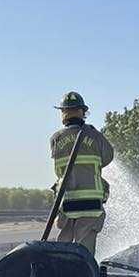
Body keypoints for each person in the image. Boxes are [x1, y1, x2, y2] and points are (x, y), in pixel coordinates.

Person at [50, 91, 114, 256]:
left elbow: (58, 170)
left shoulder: (56, 139)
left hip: (67, 202)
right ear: (83, 111)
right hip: (91, 205)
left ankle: (60, 276)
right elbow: (107, 157)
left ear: (63, 112)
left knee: (63, 249)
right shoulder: (94, 135)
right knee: (84, 252)